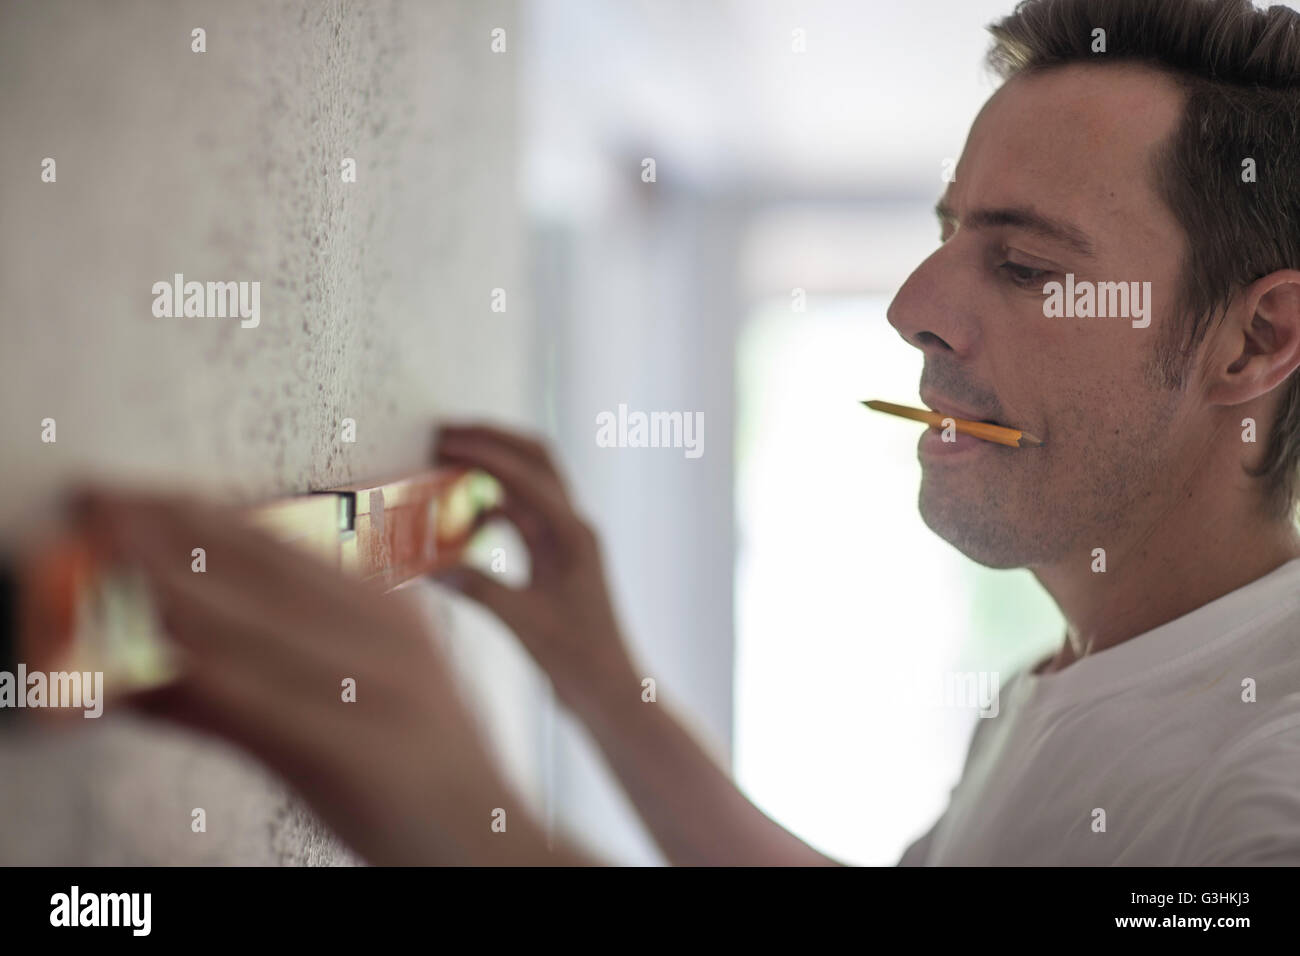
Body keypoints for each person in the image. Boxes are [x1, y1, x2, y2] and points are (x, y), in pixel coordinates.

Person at [78, 0, 1300, 865]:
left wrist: (450, 816)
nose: (913, 310)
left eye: (1026, 266)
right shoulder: (1083, 665)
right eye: (946, 235)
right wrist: (605, 681)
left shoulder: (1267, 791)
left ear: (1252, 343)